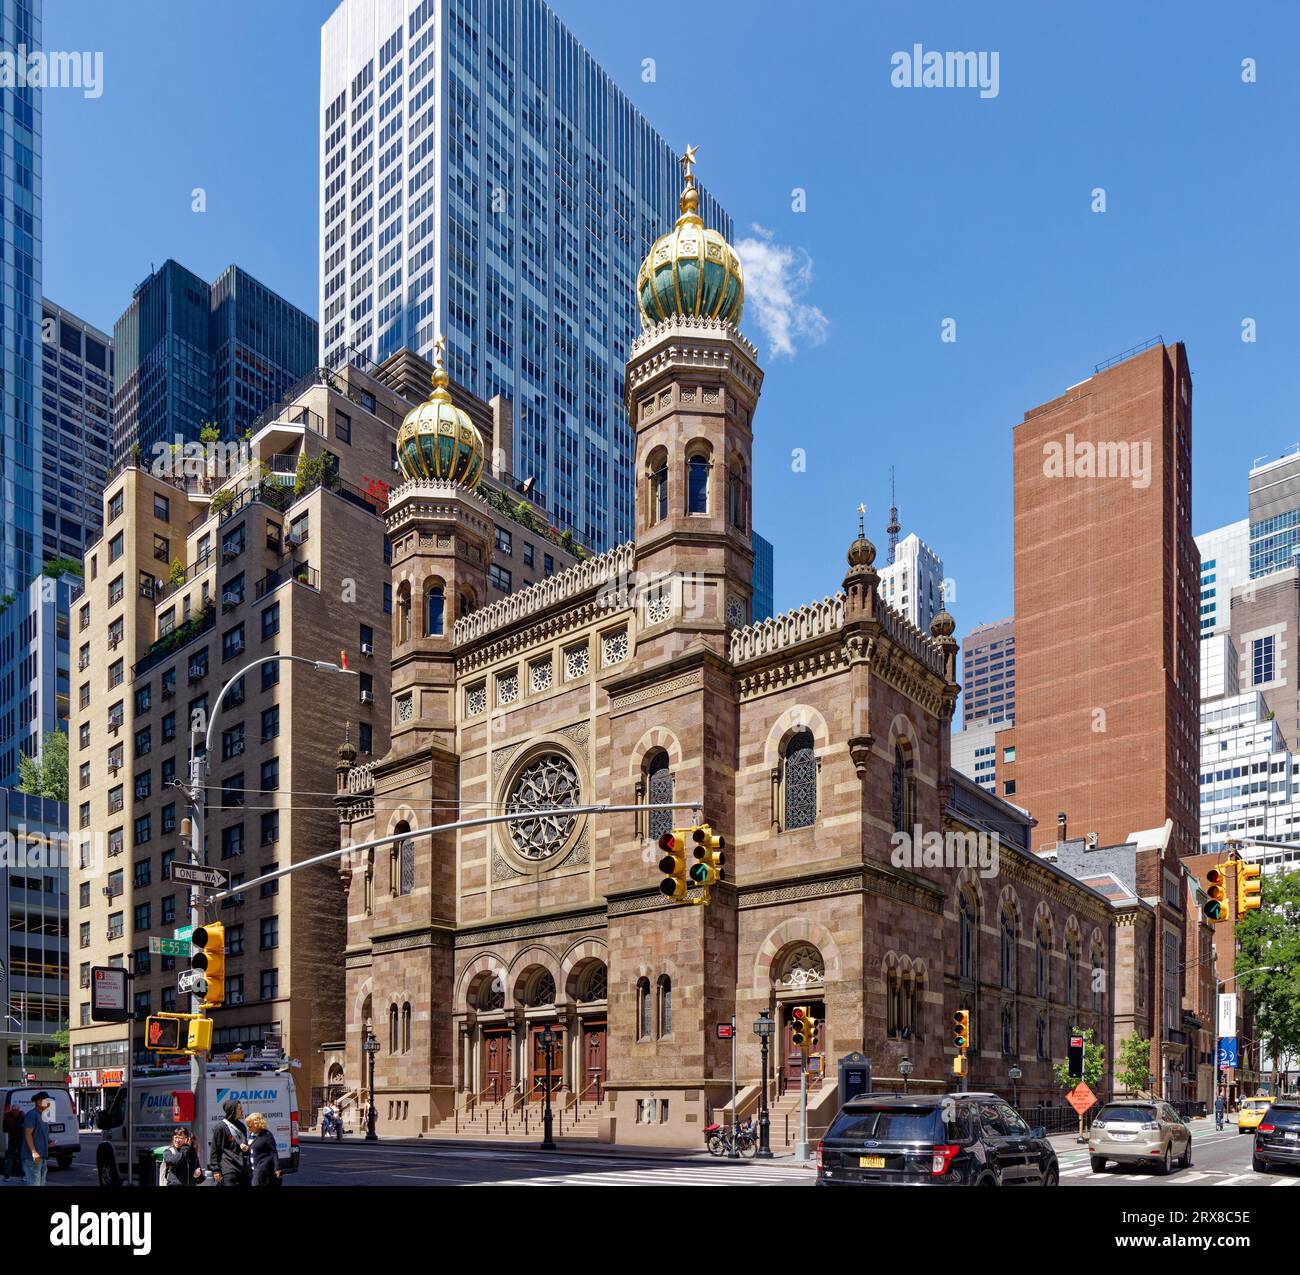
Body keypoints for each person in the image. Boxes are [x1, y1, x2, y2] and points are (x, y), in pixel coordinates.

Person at [208, 1098, 251, 1187]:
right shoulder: (220, 1128)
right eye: (239, 1109)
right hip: (228, 1168)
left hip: (243, 1168)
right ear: (232, 1110)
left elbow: (245, 1147)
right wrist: (216, 1170)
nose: (242, 1111)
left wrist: (246, 1149)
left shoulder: (242, 1126)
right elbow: (214, 1150)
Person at [20, 1092, 51, 1186]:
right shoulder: (32, 1115)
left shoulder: (44, 1115)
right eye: (47, 1101)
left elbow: (40, 1133)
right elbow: (28, 1134)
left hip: (42, 1156)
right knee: (34, 1183)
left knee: (41, 1183)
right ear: (39, 1102)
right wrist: (34, 1152)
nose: (49, 1103)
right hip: (32, 1157)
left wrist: (48, 1142)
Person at [246, 1113, 281, 1187]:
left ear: (256, 1124)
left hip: (262, 1168)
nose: (248, 1128)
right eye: (248, 1125)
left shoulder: (267, 1135)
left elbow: (273, 1151)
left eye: (250, 1126)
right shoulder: (251, 1134)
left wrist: (277, 1168)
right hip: (252, 1168)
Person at [2, 1104, 22, 1180]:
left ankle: (7, 1176)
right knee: (22, 1158)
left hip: (13, 1139)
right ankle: (23, 1175)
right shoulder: (21, 1115)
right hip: (19, 1139)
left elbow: (5, 1129)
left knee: (10, 1158)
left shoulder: (8, 1116)